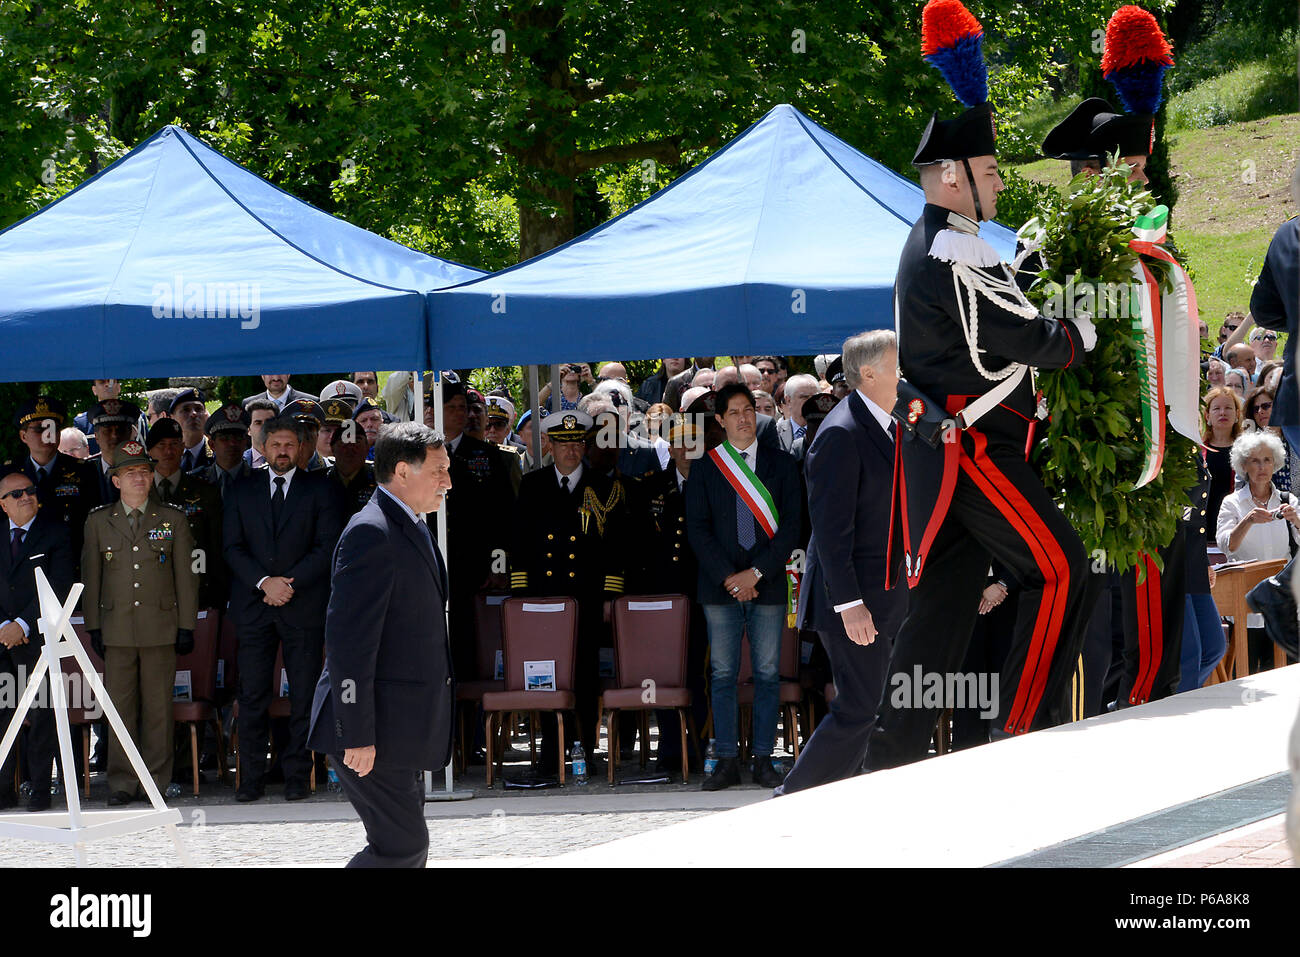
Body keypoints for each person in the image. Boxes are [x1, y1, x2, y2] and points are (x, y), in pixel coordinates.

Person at [869, 2, 1099, 770]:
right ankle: (1018, 732)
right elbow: (1023, 336)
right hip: (978, 453)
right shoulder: (952, 250)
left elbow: (999, 302)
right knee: (1063, 569)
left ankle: (882, 762)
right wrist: (1073, 333)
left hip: (961, 449)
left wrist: (1027, 268)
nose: (999, 183)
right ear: (949, 177)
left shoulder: (951, 244)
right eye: (990, 171)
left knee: (934, 623)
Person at [308, 422, 454, 868]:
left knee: (407, 845)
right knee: (401, 846)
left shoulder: (411, 523)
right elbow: (349, 643)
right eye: (439, 471)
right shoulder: (371, 532)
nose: (448, 481)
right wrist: (357, 733)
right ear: (403, 472)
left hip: (400, 726)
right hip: (371, 730)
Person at [778, 331, 904, 795]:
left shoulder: (885, 423)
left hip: (882, 595)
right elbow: (831, 533)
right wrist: (849, 603)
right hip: (852, 602)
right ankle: (793, 796)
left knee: (869, 705)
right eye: (896, 365)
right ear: (868, 374)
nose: (903, 374)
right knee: (858, 706)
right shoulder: (841, 432)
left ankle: (832, 794)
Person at [686, 383, 802, 790]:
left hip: (766, 585)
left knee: (768, 674)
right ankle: (727, 761)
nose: (744, 418)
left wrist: (756, 575)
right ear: (720, 420)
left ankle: (764, 759)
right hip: (720, 589)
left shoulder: (782, 465)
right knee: (722, 674)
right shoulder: (705, 467)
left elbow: (792, 527)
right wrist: (731, 579)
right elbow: (697, 531)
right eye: (734, 412)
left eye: (749, 410)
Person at [223, 415, 344, 801]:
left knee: (304, 696)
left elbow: (328, 547)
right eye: (275, 444)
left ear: (302, 447)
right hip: (255, 605)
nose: (282, 451)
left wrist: (288, 584)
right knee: (253, 696)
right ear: (262, 447)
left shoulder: (321, 489)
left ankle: (297, 778)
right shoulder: (241, 489)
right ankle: (251, 779)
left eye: (290, 444)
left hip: (302, 603)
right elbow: (232, 547)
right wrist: (264, 583)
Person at [509, 410, 631, 770]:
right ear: (549, 445)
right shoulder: (533, 485)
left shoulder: (606, 487)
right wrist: (523, 595)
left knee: (586, 674)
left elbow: (616, 546)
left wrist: (610, 595)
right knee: (546, 674)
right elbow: (520, 543)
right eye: (563, 444)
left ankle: (584, 746)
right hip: (546, 597)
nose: (571, 451)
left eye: (577, 443)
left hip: (587, 596)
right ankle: (552, 747)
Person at [81, 440, 199, 805]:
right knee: (119, 708)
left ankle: (155, 781)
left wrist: (186, 625)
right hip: (116, 627)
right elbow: (91, 575)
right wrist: (94, 626)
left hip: (160, 625)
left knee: (159, 707)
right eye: (130, 473)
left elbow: (186, 577)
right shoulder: (99, 521)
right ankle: (121, 782)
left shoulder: (173, 519)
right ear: (115, 480)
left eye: (145, 472)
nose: (139, 479)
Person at [429, 378, 515, 688]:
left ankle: (471, 726)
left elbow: (503, 515)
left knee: (469, 645)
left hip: (472, 565)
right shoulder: (423, 453)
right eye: (451, 407)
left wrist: (498, 564)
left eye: (462, 408)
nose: (458, 414)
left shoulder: (486, 455)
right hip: (432, 561)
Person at [0, 467, 75, 811]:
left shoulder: (55, 534)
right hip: (1, 641)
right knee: (3, 714)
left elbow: (58, 586)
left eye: (29, 490)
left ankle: (41, 791)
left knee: (44, 717)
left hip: (38, 640)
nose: (25, 497)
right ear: (3, 504)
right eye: (16, 494)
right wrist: (4, 625)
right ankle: (3, 789)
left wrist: (22, 624)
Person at [1217, 429, 1300, 672]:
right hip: (1245, 609)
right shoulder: (1232, 503)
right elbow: (1227, 545)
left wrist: (1296, 520)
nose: (1262, 467)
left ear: (1275, 464)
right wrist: (1248, 520)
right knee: (1245, 676)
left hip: (1284, 608)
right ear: (1244, 465)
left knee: (1287, 678)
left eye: (1267, 460)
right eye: (1255, 460)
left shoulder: (1288, 500)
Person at [8, 397, 100, 564]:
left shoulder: (83, 471)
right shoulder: (9, 474)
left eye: (53, 428)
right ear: (23, 436)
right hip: (23, 567)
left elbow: (94, 525)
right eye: (39, 429)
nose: (47, 435)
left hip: (70, 563)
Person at [145, 418, 225, 610]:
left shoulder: (205, 491)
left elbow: (216, 547)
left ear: (183, 448)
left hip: (196, 593)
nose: (168, 451)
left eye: (174, 444)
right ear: (149, 451)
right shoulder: (136, 491)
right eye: (161, 445)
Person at [1203, 386, 1244, 537]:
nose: (1222, 412)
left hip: (1235, 526)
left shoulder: (1246, 450)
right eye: (1216, 408)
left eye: (1228, 408)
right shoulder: (1197, 451)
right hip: (1202, 526)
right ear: (1207, 416)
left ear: (1237, 414)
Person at [87, 399, 143, 504]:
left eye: (121, 430)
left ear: (131, 434)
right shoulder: (85, 473)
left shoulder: (145, 471)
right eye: (107, 430)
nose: (115, 436)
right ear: (96, 436)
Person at [191, 404, 253, 495]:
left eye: (238, 437)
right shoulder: (194, 481)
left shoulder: (262, 480)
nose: (232, 443)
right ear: (212, 444)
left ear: (246, 442)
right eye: (225, 438)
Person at [327, 413, 378, 517]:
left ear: (367, 447)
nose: (350, 448)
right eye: (343, 442)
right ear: (332, 448)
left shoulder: (381, 481)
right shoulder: (318, 482)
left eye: (357, 441)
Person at [169, 388, 214, 473]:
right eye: (186, 409)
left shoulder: (217, 454)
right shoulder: (165, 454)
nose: (194, 414)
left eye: (198, 409)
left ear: (205, 415)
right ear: (172, 418)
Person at [776, 374, 820, 451]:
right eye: (804, 397)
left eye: (814, 397)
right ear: (788, 401)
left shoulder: (826, 430)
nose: (811, 402)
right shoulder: (775, 432)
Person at [242, 374, 313, 411]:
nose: (276, 378)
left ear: (288, 374)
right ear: (262, 375)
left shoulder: (311, 403)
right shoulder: (248, 404)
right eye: (270, 372)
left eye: (281, 371)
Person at [243, 399, 277, 470]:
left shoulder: (289, 459)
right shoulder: (237, 462)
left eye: (269, 422)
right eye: (258, 423)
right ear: (248, 429)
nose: (264, 427)